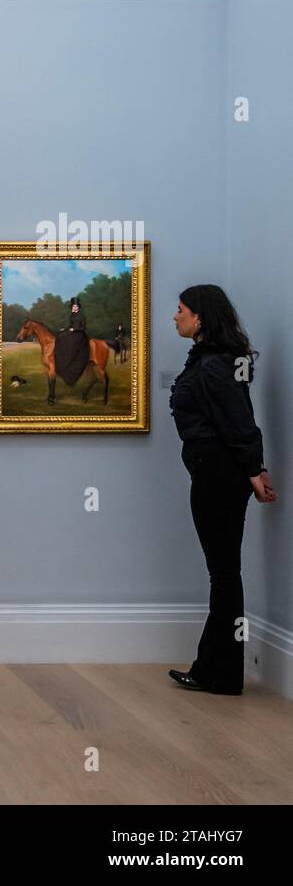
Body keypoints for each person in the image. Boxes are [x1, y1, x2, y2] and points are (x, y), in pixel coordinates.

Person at [167, 284, 277, 695]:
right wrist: (254, 467)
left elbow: (239, 421)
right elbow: (241, 418)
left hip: (219, 478)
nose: (174, 316)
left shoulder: (215, 364)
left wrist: (254, 470)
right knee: (225, 573)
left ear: (199, 316)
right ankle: (217, 671)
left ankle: (220, 673)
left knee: (224, 574)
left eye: (180, 309)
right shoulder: (212, 360)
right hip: (216, 474)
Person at [53, 296, 89, 385]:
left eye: (76, 306)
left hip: (80, 335)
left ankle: (70, 359)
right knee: (60, 335)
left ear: (78, 307)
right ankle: (61, 359)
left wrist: (75, 329)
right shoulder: (71, 316)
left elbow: (83, 328)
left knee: (70, 340)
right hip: (72, 333)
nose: (74, 308)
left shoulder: (82, 316)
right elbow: (70, 326)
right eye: (73, 306)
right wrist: (64, 329)